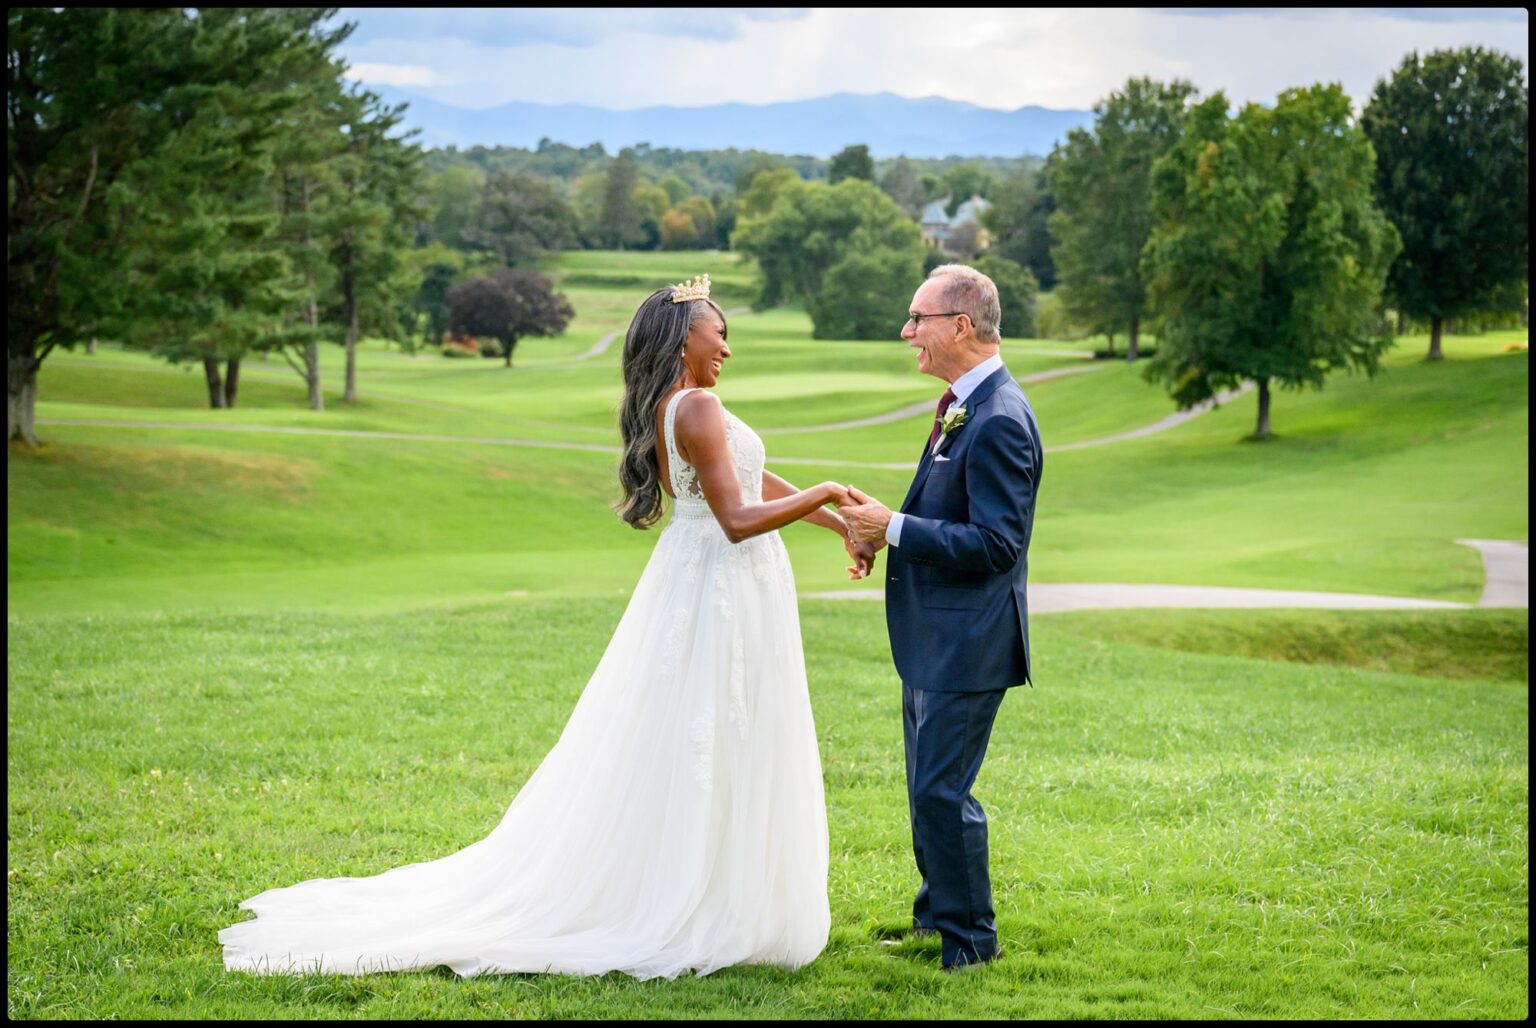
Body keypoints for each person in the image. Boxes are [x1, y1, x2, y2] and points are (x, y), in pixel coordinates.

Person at [220, 274, 874, 979]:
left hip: (708, 577)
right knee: (716, 725)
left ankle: (714, 890)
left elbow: (750, 477)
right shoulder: (697, 406)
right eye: (720, 334)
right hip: (721, 576)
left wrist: (837, 524)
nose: (727, 349)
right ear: (685, 336)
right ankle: (694, 898)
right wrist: (831, 488)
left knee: (709, 725)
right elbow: (738, 519)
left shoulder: (676, 404)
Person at [841, 264, 1042, 971]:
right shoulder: (963, 404)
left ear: (960, 325)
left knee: (941, 792)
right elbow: (946, 512)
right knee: (926, 791)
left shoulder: (1000, 419)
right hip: (935, 635)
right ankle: (935, 921)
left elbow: (997, 545)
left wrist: (893, 526)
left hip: (969, 641)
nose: (907, 332)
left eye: (917, 319)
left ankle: (972, 944)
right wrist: (879, 533)